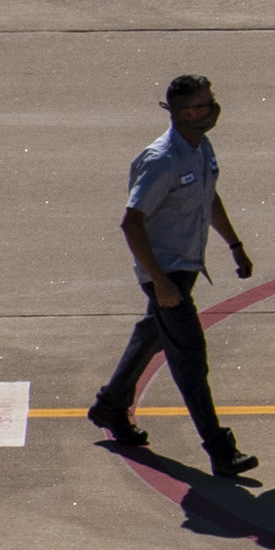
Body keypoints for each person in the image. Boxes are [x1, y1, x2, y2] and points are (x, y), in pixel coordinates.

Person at [92, 73, 256, 480]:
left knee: (153, 333)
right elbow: (132, 223)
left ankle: (111, 404)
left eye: (210, 102)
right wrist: (161, 282)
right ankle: (220, 450)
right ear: (179, 112)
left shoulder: (200, 147)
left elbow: (207, 196)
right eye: (199, 106)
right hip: (165, 272)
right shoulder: (162, 160)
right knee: (189, 360)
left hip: (186, 264)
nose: (209, 110)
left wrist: (234, 245)